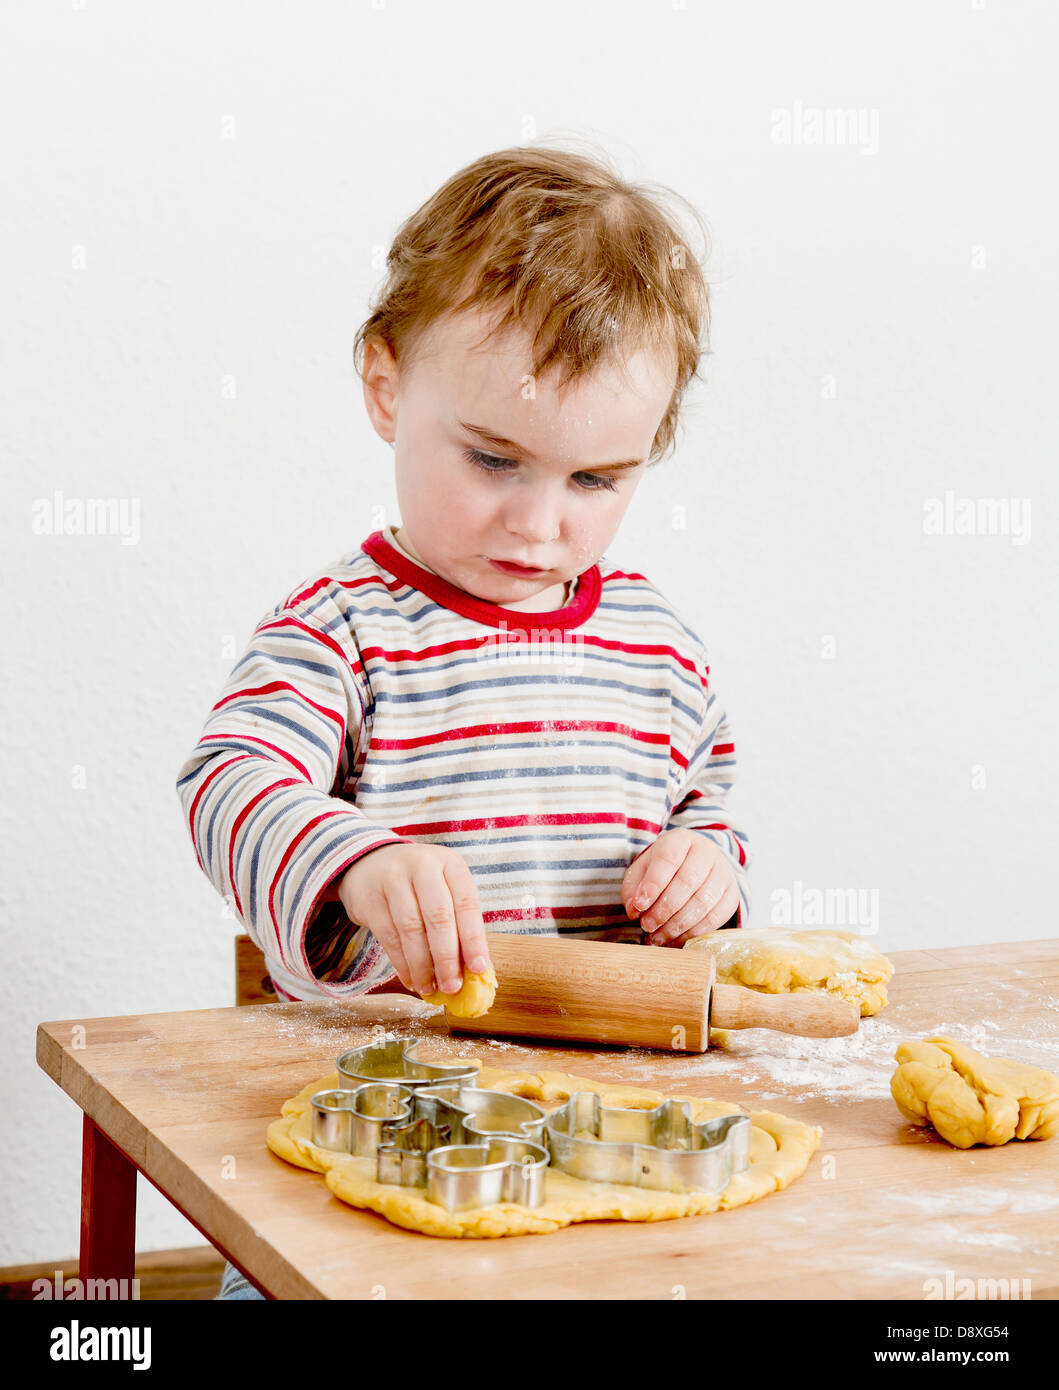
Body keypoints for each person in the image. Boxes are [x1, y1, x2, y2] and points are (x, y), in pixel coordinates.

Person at [175, 143, 751, 1299]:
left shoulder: (661, 645)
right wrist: (355, 862)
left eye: (596, 480)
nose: (540, 523)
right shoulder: (345, 625)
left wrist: (711, 870)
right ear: (387, 384)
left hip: (604, 1144)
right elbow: (228, 779)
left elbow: (708, 810)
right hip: (381, 1131)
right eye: (494, 458)